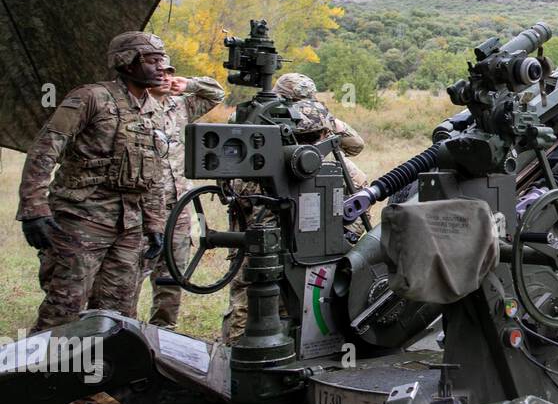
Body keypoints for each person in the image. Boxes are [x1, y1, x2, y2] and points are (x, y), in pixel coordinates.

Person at [18, 32, 171, 331]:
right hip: (80, 220)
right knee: (64, 308)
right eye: (152, 60)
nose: (161, 67)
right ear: (127, 63)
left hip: (129, 227)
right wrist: (33, 208)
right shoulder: (90, 97)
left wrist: (154, 223)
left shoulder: (154, 109)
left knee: (118, 315)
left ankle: (104, 375)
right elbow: (46, 148)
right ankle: (46, 373)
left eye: (161, 60)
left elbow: (153, 173)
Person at [220, 100, 369, 344]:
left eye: (311, 138)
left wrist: (344, 243)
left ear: (325, 136)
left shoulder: (342, 170)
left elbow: (360, 209)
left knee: (309, 322)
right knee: (247, 319)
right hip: (261, 260)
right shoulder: (258, 168)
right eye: (299, 137)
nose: (304, 146)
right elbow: (239, 206)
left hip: (315, 264)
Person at [135, 57, 225, 328]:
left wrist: (188, 83)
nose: (165, 77)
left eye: (169, 72)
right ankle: (121, 329)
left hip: (178, 205)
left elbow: (217, 93)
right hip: (142, 206)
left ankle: (164, 329)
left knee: (173, 271)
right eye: (159, 72)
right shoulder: (134, 107)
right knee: (131, 273)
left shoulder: (181, 105)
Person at [271, 72, 365, 156]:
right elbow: (356, 145)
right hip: (307, 165)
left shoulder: (263, 114)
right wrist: (330, 122)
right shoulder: (320, 117)